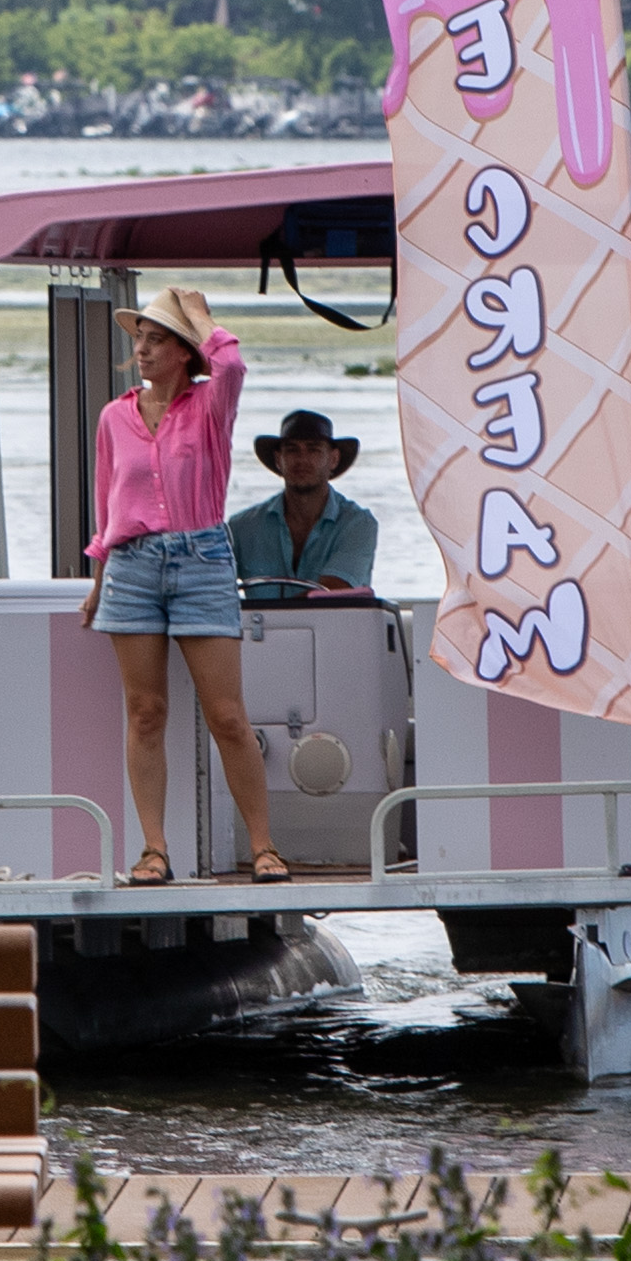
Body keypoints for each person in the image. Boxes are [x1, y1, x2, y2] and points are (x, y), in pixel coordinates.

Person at [77, 285, 286, 885]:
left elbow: (234, 363)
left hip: (202, 560)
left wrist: (196, 314)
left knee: (226, 714)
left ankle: (264, 847)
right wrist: (99, 581)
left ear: (184, 351)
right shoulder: (115, 417)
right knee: (145, 712)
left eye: (155, 338)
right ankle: (154, 850)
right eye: (139, 338)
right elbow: (106, 503)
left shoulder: (210, 406)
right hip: (132, 568)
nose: (141, 349)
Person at [227, 408, 378, 595]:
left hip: (332, 625)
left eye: (313, 449)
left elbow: (332, 593)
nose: (302, 459)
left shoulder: (358, 524)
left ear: (333, 459)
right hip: (258, 625)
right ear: (278, 460)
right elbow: (211, 587)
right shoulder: (241, 527)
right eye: (292, 450)